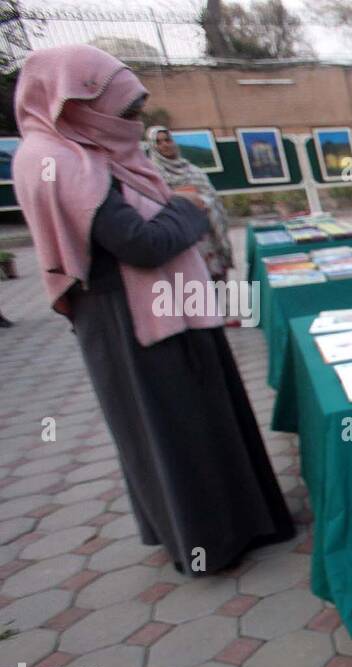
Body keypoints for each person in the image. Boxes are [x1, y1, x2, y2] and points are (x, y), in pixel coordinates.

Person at [11, 45, 293, 575]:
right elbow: (140, 242)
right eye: (123, 114)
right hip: (131, 323)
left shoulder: (96, 152)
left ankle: (249, 522)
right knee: (174, 431)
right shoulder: (55, 160)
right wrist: (187, 208)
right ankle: (210, 542)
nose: (134, 126)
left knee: (208, 419)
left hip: (173, 309)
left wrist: (179, 213)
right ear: (74, 102)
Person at [147, 126, 234, 282]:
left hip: (209, 240)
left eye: (167, 140)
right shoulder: (153, 177)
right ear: (153, 147)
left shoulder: (194, 171)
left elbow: (213, 200)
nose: (165, 145)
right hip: (182, 245)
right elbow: (154, 207)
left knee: (219, 290)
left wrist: (202, 201)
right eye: (158, 142)